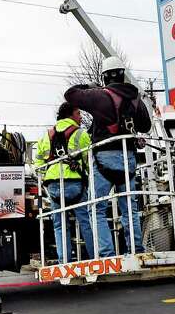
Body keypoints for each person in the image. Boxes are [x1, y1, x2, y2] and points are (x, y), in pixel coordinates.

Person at [64, 56, 153, 257]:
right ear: (123, 74)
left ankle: (107, 255)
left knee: (97, 208)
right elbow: (146, 126)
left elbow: (70, 94)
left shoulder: (100, 96)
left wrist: (89, 86)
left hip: (104, 159)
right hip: (128, 159)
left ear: (104, 77)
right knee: (129, 208)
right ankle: (136, 250)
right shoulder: (135, 98)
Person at [34, 103, 95, 263]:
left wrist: (45, 177)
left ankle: (64, 261)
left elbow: (38, 163)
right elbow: (89, 161)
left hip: (53, 185)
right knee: (86, 222)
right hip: (75, 184)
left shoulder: (46, 136)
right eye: (78, 113)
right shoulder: (81, 134)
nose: (80, 117)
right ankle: (94, 258)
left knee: (60, 225)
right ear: (70, 115)